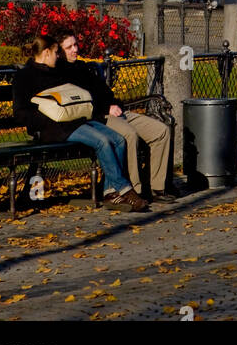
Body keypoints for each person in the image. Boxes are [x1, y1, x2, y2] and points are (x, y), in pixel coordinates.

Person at [12, 30, 148, 211]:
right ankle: (124, 190)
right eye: (55, 52)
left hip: (75, 120)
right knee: (103, 142)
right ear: (46, 53)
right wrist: (47, 117)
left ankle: (110, 193)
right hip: (53, 129)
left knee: (118, 139)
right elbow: (20, 112)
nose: (57, 56)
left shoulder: (55, 71)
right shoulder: (25, 77)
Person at [56, 32, 176, 203]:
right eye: (69, 47)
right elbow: (79, 104)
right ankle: (135, 189)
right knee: (129, 134)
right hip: (99, 117)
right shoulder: (61, 73)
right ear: (59, 51)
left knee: (161, 131)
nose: (75, 49)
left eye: (75, 45)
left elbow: (105, 92)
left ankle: (157, 187)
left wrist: (114, 104)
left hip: (117, 111)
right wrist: (107, 108)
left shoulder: (83, 67)